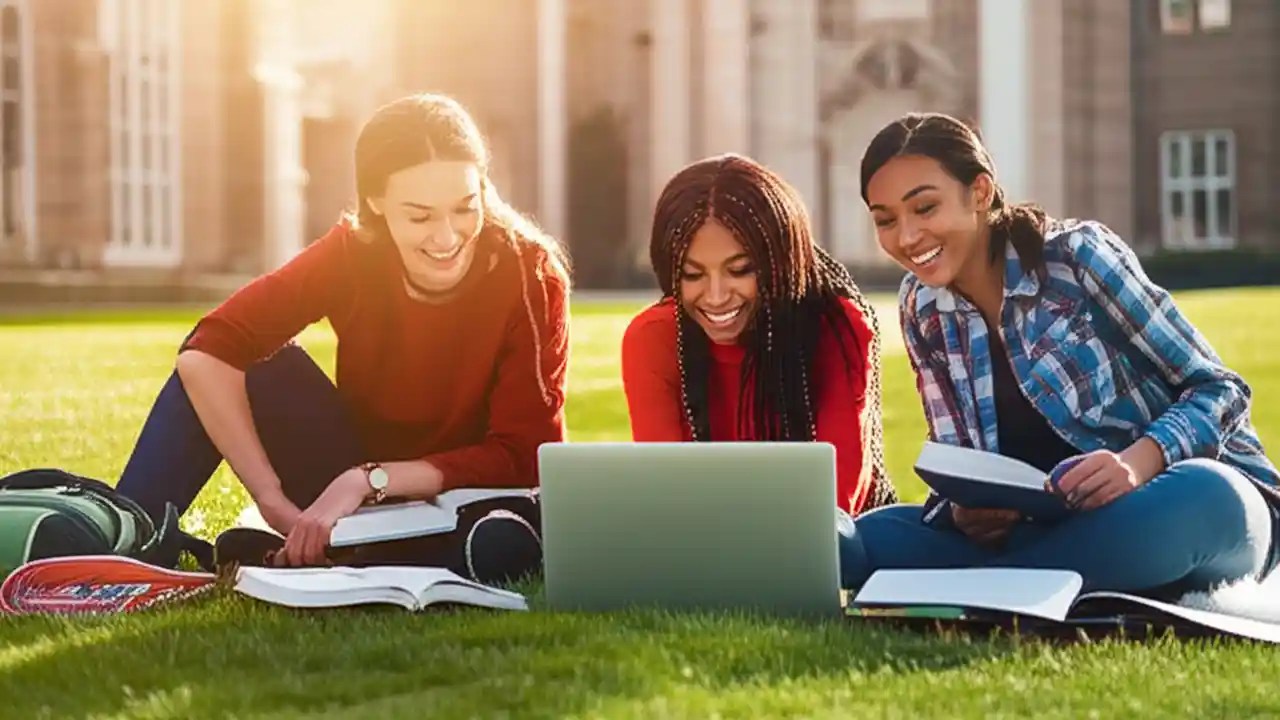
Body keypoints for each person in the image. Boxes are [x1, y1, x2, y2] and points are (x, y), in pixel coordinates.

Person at [115, 93, 571, 573]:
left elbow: (524, 455)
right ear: (376, 202)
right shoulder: (352, 254)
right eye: (419, 216)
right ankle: (124, 539)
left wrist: (369, 480)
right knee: (262, 364)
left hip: (466, 494)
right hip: (351, 482)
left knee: (497, 546)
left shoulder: (531, 275)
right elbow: (206, 352)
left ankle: (348, 552)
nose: (447, 237)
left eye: (465, 208)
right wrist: (272, 499)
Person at [843, 111, 1280, 596]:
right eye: (885, 221)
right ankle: (1034, 579)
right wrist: (965, 513)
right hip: (1052, 529)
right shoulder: (921, 306)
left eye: (924, 209)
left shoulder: (1076, 256)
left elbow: (1219, 389)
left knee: (1206, 498)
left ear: (980, 193)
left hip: (1177, 510)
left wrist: (1137, 463)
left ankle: (988, 586)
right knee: (865, 539)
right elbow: (958, 466)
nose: (906, 238)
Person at [620, 153, 898, 515]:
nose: (716, 296)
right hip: (700, 533)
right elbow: (663, 491)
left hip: (825, 535)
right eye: (692, 275)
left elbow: (837, 503)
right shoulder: (653, 338)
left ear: (778, 263)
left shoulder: (837, 328)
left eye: (740, 270)